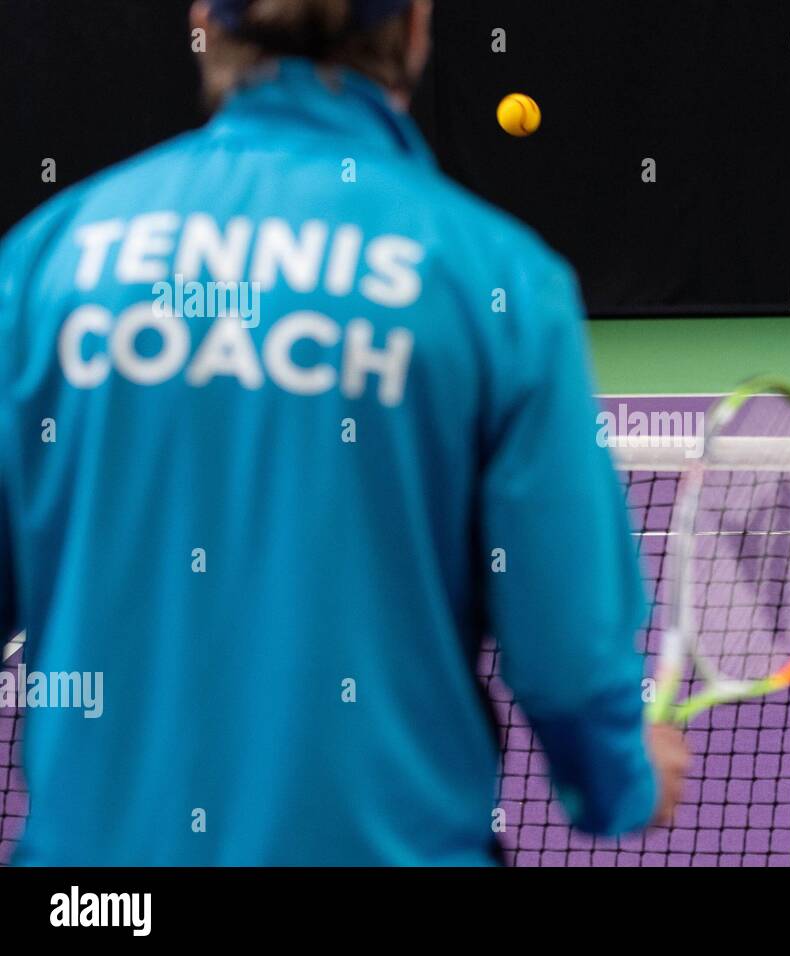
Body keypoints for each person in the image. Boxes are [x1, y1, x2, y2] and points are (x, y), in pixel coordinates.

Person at [0, 0, 687, 864]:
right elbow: (564, 646)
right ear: (416, 28)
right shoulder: (497, 278)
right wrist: (621, 775)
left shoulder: (48, 259)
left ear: (204, 22)